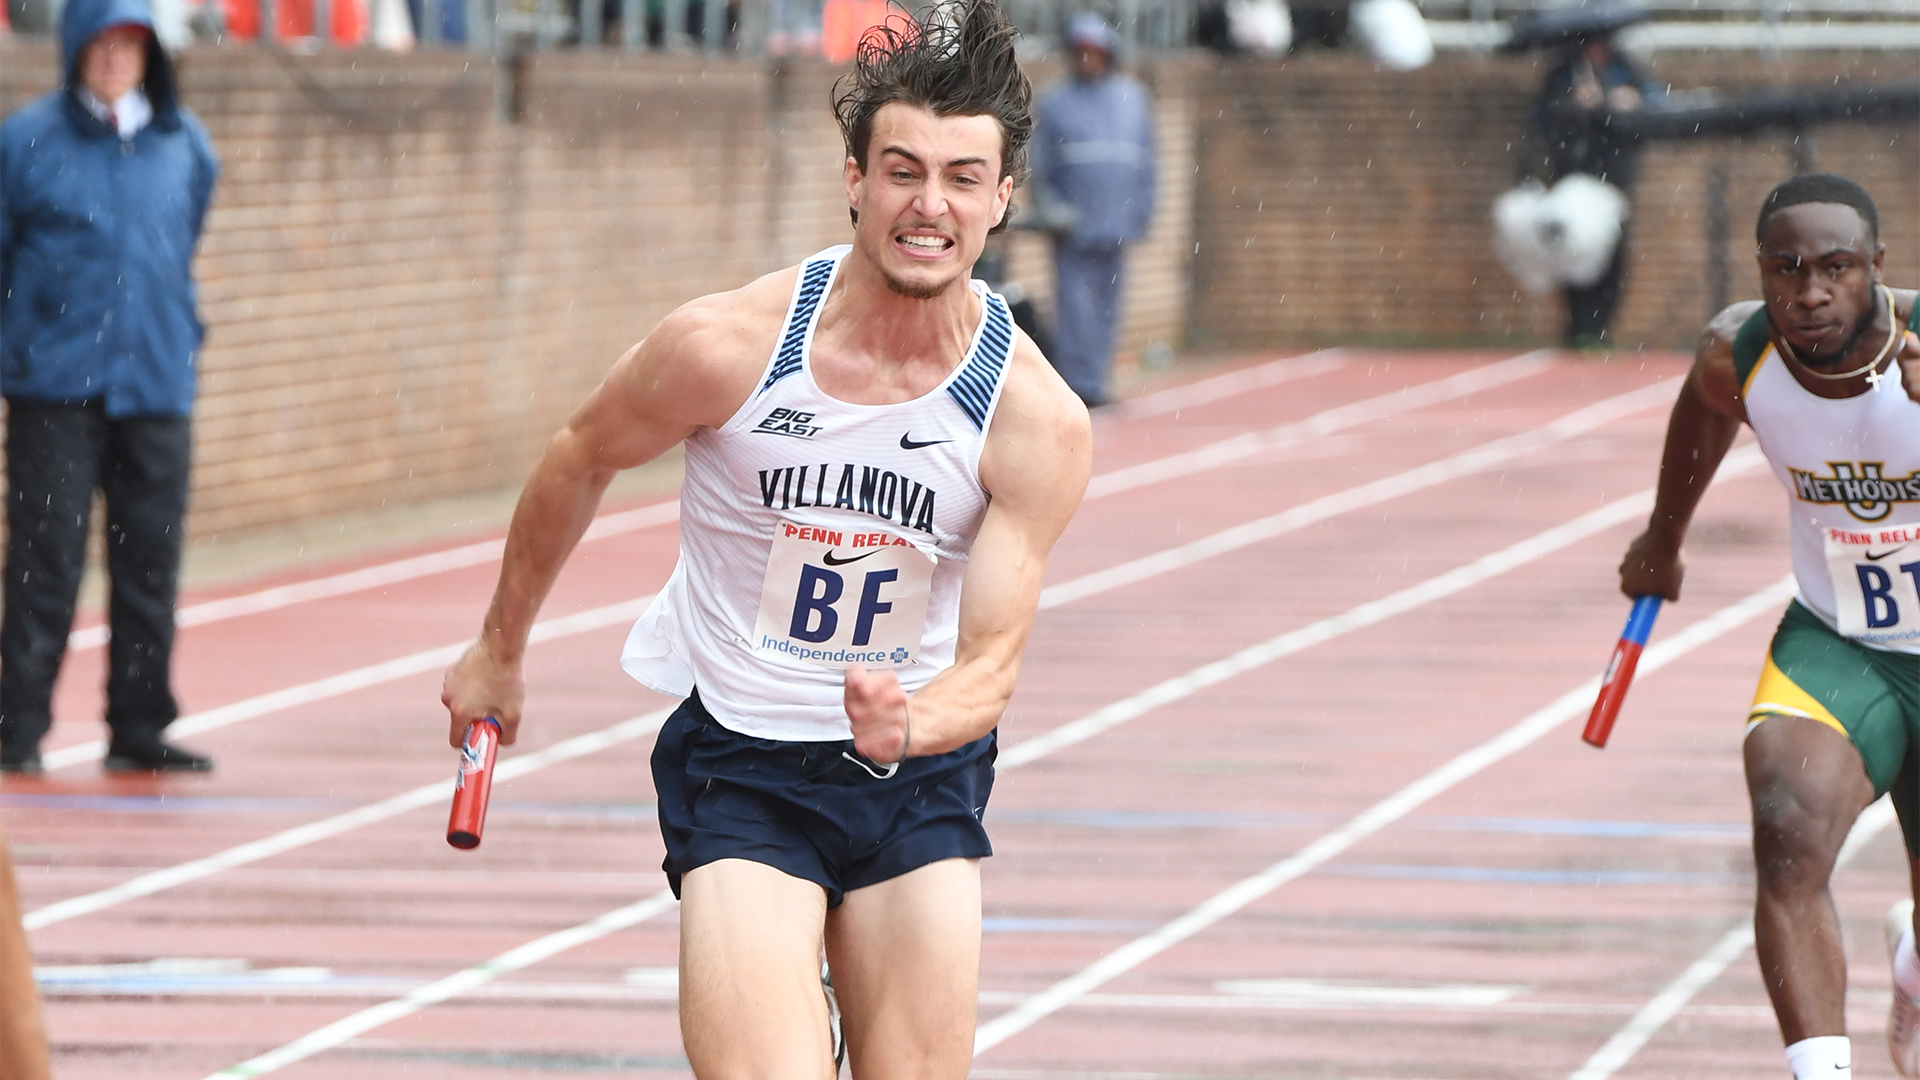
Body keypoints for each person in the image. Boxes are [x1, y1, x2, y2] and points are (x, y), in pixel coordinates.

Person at [440, 1, 1090, 1073]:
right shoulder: (727, 348)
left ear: (1003, 199)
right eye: (902, 170)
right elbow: (578, 457)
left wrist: (911, 723)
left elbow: (991, 668)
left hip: (916, 779)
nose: (929, 206)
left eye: (962, 179)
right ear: (853, 178)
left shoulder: (1033, 419)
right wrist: (497, 649)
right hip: (744, 763)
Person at [1616, 172, 1920, 1080]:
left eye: (1836, 269)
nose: (1810, 293)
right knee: (1787, 824)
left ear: (1879, 269)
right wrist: (1661, 540)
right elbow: (1703, 414)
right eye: (1787, 269)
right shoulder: (1737, 354)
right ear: (1761, 269)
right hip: (1841, 644)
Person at [0, 0, 219, 774]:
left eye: (130, 43)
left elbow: (182, 237)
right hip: (53, 388)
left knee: (150, 561)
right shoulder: (24, 143)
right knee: (45, 561)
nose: (116, 57)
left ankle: (138, 725)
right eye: (102, 43)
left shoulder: (183, 143)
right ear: (75, 50)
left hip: (156, 384)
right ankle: (16, 730)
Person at [1031, 12, 1154, 407]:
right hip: (1074, 228)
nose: (1087, 60)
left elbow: (1147, 162)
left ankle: (1097, 380)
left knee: (1107, 309)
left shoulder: (1133, 98)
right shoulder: (1055, 102)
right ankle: (1076, 386)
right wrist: (1052, 209)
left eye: (1093, 52)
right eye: (1079, 52)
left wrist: (1143, 212)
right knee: (1075, 309)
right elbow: (1040, 164)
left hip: (1116, 224)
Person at [1532, 31, 1656, 347]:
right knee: (1572, 248)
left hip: (1613, 177)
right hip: (1572, 175)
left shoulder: (1627, 68)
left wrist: (1627, 100)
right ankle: (1578, 324)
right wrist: (1573, 104)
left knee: (1612, 253)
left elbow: (1656, 103)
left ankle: (1601, 325)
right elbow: (1540, 116)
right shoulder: (1562, 72)